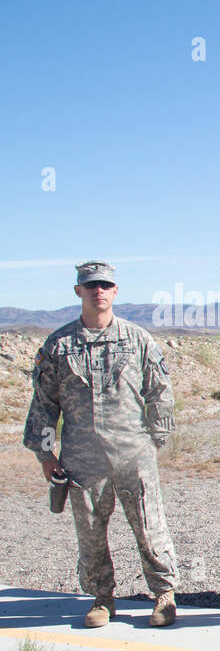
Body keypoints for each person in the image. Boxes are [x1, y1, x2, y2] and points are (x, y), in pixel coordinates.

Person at [25, 262, 179, 629]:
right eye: (91, 285)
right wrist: (45, 453)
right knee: (91, 531)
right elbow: (44, 402)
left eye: (106, 285)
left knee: (149, 525)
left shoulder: (138, 339)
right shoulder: (59, 345)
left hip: (132, 452)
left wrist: (156, 438)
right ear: (78, 291)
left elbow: (160, 390)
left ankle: (164, 594)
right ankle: (101, 597)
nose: (99, 291)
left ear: (115, 290)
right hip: (82, 456)